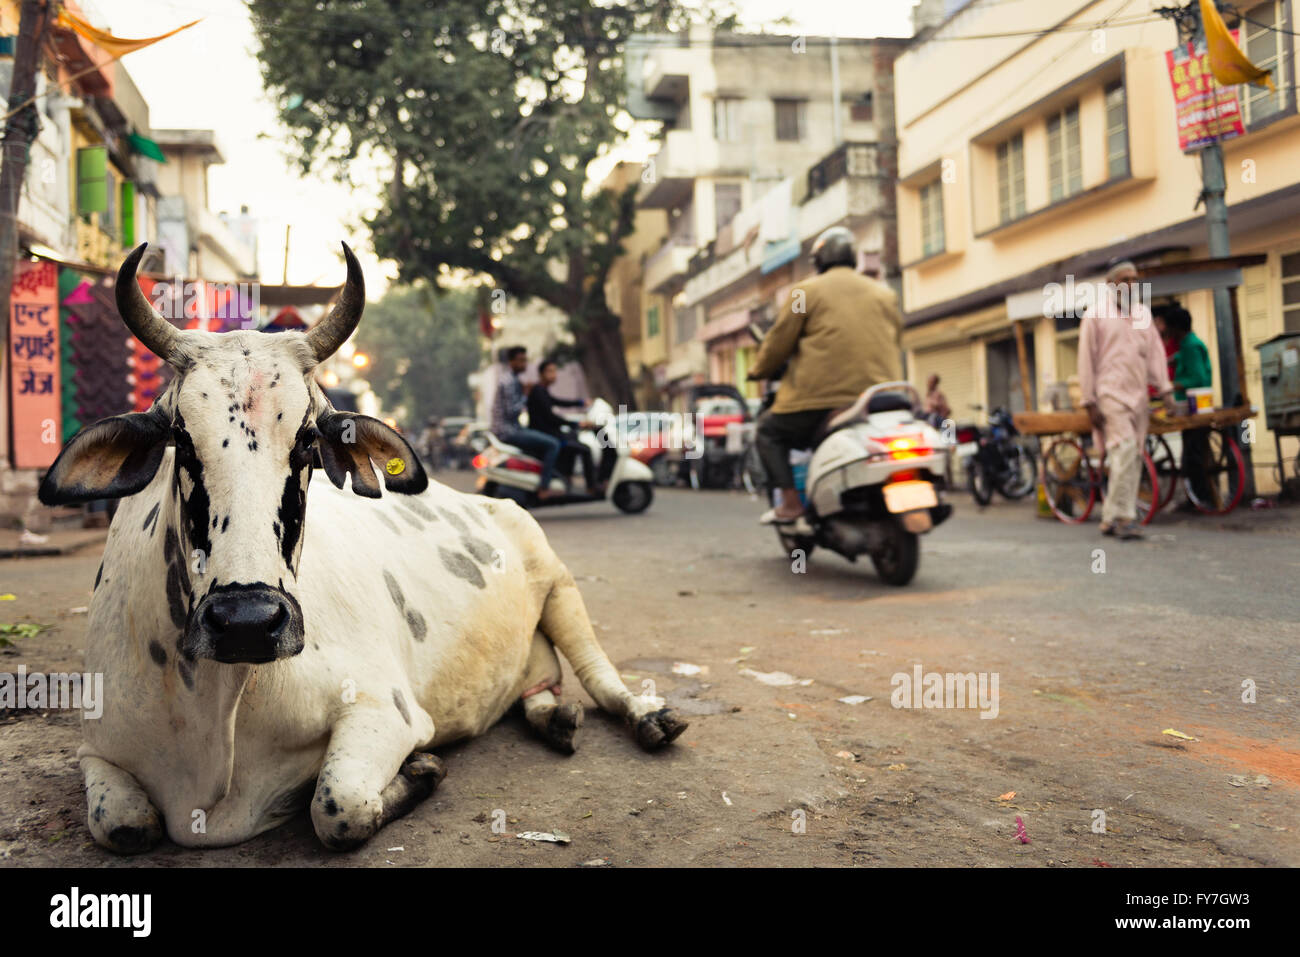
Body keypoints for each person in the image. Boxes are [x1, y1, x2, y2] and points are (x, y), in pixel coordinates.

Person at [747, 226, 903, 525]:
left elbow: (779, 342)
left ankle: (791, 504)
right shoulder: (885, 294)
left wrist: (758, 370)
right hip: (881, 398)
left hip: (822, 403)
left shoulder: (803, 293)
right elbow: (895, 340)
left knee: (768, 431)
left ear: (819, 261)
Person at [1077, 261, 1177, 540]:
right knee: (1123, 452)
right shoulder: (1095, 315)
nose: (1131, 284)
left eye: (1135, 279)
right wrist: (1089, 402)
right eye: (1125, 279)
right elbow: (1086, 360)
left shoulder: (1143, 314)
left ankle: (1109, 518)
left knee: (1133, 457)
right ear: (1111, 284)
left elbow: (1156, 355)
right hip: (1109, 395)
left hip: (1139, 397)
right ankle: (1125, 518)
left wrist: (1166, 392)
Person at [527, 358, 610, 495]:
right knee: (585, 450)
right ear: (541, 374)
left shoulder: (543, 391)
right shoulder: (538, 391)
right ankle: (590, 487)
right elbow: (551, 417)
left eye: (555, 371)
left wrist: (581, 403)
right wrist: (576, 423)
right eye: (550, 371)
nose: (554, 375)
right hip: (546, 433)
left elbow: (558, 402)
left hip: (551, 431)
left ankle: (567, 478)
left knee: (573, 438)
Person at [491, 346, 560, 499]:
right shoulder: (509, 381)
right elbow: (512, 411)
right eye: (520, 361)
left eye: (525, 360)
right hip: (508, 431)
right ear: (511, 362)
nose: (524, 364)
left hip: (512, 428)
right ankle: (544, 487)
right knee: (553, 444)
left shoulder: (512, 379)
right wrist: (526, 395)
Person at [1166, 305, 1214, 507]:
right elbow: (1181, 359)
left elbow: (1198, 377)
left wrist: (1172, 386)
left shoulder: (1191, 346)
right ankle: (1196, 497)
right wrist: (1169, 361)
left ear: (1176, 328)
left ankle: (1201, 498)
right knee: (1194, 450)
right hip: (1194, 406)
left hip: (1195, 406)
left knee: (1192, 456)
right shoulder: (1187, 345)